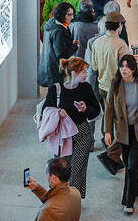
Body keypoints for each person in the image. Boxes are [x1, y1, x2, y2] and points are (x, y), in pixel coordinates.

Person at [104, 54, 138, 214]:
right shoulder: (115, 84)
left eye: (127, 66)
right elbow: (108, 108)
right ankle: (134, 190)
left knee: (131, 167)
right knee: (129, 163)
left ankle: (127, 201)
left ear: (134, 68)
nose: (124, 69)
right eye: (122, 66)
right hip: (123, 131)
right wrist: (108, 130)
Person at [43, 57, 100, 197]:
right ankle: (58, 198)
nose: (87, 74)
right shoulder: (56, 89)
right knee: (60, 170)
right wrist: (58, 113)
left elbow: (96, 111)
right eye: (84, 72)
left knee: (77, 170)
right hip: (62, 136)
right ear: (73, 73)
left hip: (82, 133)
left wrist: (85, 109)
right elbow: (45, 110)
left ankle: (72, 201)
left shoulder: (86, 88)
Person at [38, 3, 78, 86]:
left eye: (73, 14)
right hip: (56, 71)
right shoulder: (59, 31)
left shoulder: (51, 24)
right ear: (62, 15)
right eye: (69, 15)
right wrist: (74, 46)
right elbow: (61, 54)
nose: (72, 17)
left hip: (49, 68)